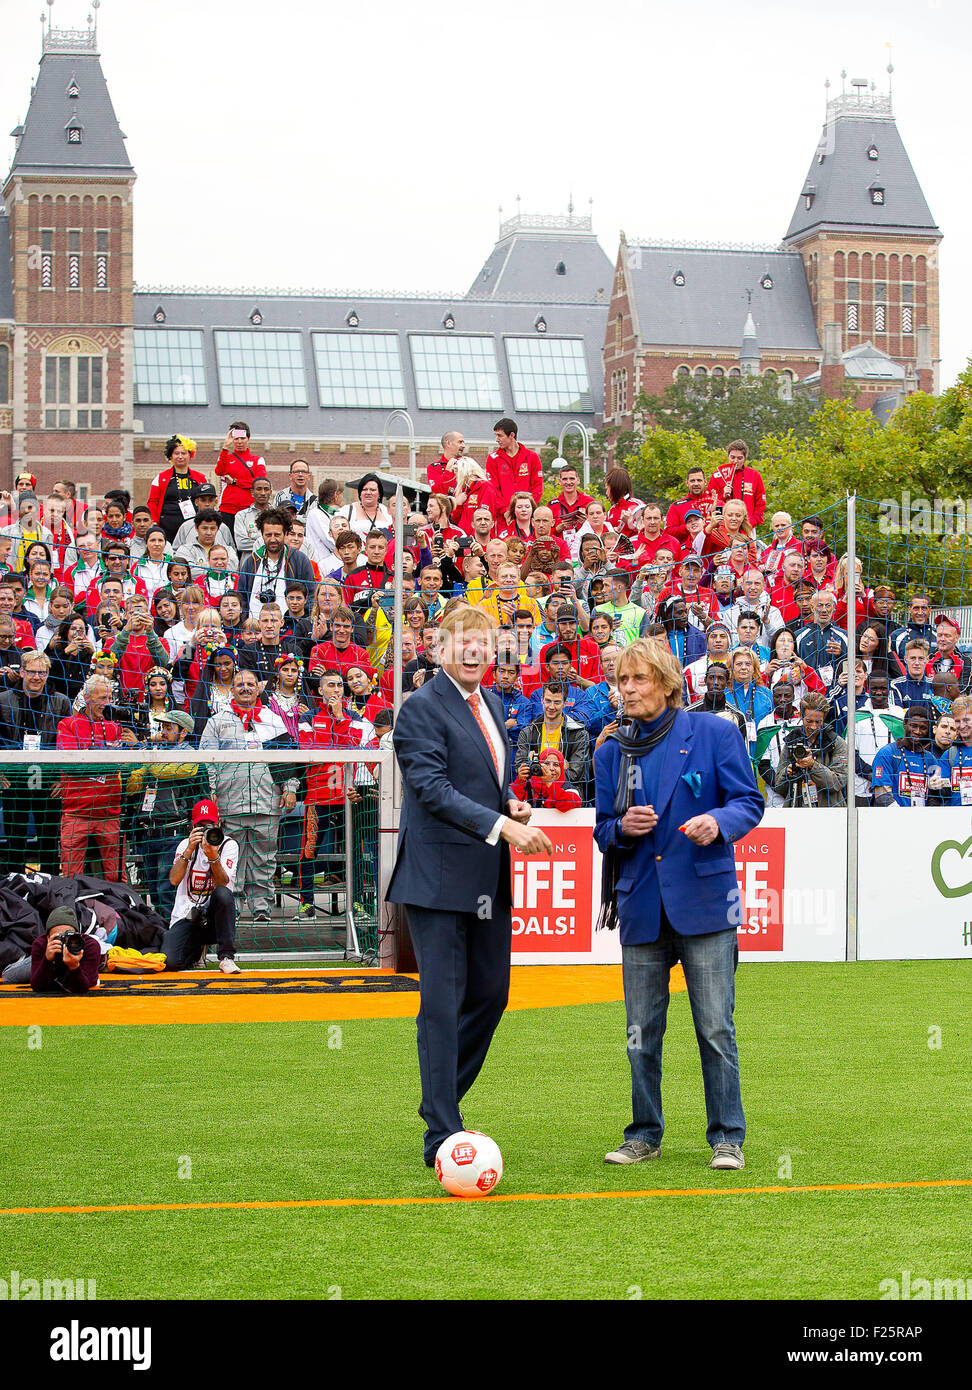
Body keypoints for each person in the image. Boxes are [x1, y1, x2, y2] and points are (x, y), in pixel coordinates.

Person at [387, 604, 553, 1168]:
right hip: (436, 880)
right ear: (438, 647)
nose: (475, 650)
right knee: (440, 1002)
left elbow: (482, 782)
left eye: (485, 641)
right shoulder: (419, 709)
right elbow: (431, 789)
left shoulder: (495, 705)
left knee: (492, 994)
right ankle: (442, 1130)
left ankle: (439, 1101)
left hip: (485, 877)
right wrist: (501, 826)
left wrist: (509, 803)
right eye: (464, 640)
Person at [593, 637, 763, 1170]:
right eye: (622, 681)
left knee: (715, 1028)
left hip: (706, 903)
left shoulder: (714, 732)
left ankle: (727, 1137)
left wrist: (719, 823)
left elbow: (749, 802)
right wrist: (622, 827)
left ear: (666, 683)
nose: (628, 690)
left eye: (638, 679)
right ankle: (643, 1133)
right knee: (640, 1032)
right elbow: (602, 830)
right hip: (641, 905)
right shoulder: (609, 751)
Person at [198, 668, 299, 924]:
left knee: (264, 858)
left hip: (266, 802)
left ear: (258, 688)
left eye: (251, 684)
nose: (245, 688)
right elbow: (206, 763)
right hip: (229, 802)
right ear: (231, 689)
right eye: (240, 684)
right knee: (230, 857)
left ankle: (261, 908)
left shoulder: (272, 719)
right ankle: (232, 906)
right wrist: (212, 798)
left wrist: (289, 789)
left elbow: (286, 761)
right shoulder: (217, 721)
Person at [0, 650, 72, 875]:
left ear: (48, 673)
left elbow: (67, 742)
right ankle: (13, 887)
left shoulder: (60, 702)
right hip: (14, 778)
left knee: (49, 840)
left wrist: (63, 779)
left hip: (49, 780)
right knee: (15, 840)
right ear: (21, 672)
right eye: (31, 672)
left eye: (41, 672)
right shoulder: (3, 700)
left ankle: (50, 887)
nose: (36, 677)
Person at [125, 710, 202, 920]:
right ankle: (162, 934)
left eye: (169, 728)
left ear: (184, 732)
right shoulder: (154, 753)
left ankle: (174, 937)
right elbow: (132, 787)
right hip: (148, 833)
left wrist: (142, 748)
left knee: (167, 891)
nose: (163, 732)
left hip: (174, 834)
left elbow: (163, 770)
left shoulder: (190, 756)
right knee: (154, 894)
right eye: (162, 728)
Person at [162, 799, 241, 973]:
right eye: (201, 826)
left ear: (218, 824)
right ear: (192, 826)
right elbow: (174, 880)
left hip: (215, 919)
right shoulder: (185, 844)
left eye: (210, 825)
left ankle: (226, 957)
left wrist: (213, 856)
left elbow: (223, 883)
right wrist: (189, 850)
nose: (206, 831)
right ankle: (194, 951)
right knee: (170, 962)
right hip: (188, 915)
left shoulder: (228, 845)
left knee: (222, 894)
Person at [238, 508, 317, 620]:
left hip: (290, 629)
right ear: (262, 534)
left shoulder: (299, 560)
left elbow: (311, 594)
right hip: (254, 628)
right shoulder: (253, 561)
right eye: (268, 535)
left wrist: (302, 625)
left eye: (277, 535)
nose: (273, 539)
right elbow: (241, 596)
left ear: (285, 534)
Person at [773, 691, 848, 808]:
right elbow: (778, 786)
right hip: (798, 809)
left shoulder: (837, 743)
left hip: (830, 811)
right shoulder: (792, 741)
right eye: (809, 721)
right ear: (801, 716)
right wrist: (787, 773)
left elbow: (837, 782)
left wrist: (813, 765)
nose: (813, 726)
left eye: (818, 722)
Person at [28, 907, 101, 994]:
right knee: (11, 975)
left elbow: (82, 988)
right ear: (47, 937)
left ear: (78, 934)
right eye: (59, 937)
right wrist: (47, 960)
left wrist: (74, 966)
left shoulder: (89, 946)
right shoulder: (41, 944)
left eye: (69, 937)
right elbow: (37, 987)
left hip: (64, 971)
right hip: (43, 960)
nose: (65, 942)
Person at [146, 435, 205, 542]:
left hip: (193, 527)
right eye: (176, 453)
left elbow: (207, 501)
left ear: (190, 455)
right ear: (171, 456)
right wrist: (154, 522)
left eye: (184, 453)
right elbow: (152, 501)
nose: (180, 456)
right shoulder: (161, 478)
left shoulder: (200, 478)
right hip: (167, 527)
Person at [214, 421, 268, 534]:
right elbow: (219, 471)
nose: (239, 442)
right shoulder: (226, 458)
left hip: (249, 509)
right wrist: (225, 446)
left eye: (242, 438)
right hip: (227, 509)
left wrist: (235, 481)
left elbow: (260, 483)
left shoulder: (257, 460)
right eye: (236, 438)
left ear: (248, 438)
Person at [485, 418, 543, 510]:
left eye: (500, 436)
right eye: (496, 435)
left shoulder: (532, 456)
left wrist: (526, 508)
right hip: (503, 516)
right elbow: (493, 489)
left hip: (526, 514)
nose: (497, 439)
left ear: (512, 435)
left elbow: (537, 487)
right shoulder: (493, 459)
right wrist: (505, 511)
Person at [706, 439, 766, 527]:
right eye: (732, 457)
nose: (735, 461)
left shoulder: (754, 475)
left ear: (745, 458)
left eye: (739, 458)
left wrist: (753, 521)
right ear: (728, 456)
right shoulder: (718, 475)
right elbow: (710, 501)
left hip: (747, 524)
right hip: (724, 525)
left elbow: (760, 502)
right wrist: (723, 495)